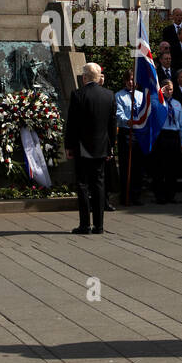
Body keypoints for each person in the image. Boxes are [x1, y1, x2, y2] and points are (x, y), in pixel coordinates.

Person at [65, 63, 116, 234]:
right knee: (99, 185)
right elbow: (112, 125)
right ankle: (99, 225)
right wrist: (111, 148)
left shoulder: (78, 94)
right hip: (102, 147)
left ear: (84, 77)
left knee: (83, 185)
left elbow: (71, 124)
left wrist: (69, 146)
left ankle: (85, 224)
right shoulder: (109, 95)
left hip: (82, 147)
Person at [151, 79, 182, 204]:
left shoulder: (177, 104)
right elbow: (154, 111)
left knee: (172, 168)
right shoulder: (157, 102)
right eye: (166, 89)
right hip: (162, 136)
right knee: (160, 167)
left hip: (174, 136)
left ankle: (170, 195)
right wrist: (159, 94)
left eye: (170, 89)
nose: (169, 91)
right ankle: (159, 195)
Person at [114, 73, 145, 206]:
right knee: (126, 165)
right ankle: (125, 195)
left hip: (139, 132)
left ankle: (136, 195)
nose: (131, 82)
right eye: (128, 80)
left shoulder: (141, 95)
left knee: (138, 165)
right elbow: (118, 113)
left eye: (133, 80)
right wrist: (127, 121)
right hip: (126, 132)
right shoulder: (119, 95)